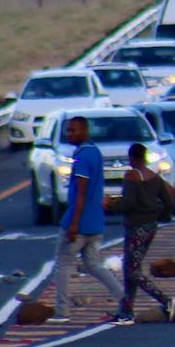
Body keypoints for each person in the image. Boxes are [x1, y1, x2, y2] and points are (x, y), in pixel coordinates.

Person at [50, 115, 127, 323]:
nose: (69, 134)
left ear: (85, 131)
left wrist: (74, 223)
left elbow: (81, 192)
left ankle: (62, 311)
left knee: (64, 264)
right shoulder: (95, 152)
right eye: (68, 131)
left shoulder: (82, 156)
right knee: (94, 264)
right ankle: (123, 297)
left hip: (80, 221)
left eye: (73, 130)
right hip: (95, 221)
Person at [117, 143, 175, 322]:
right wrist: (161, 216)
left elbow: (129, 203)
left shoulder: (131, 177)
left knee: (133, 271)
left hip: (136, 226)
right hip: (151, 226)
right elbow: (169, 202)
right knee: (131, 268)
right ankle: (126, 311)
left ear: (131, 158)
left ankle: (165, 299)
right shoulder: (155, 178)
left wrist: (112, 206)